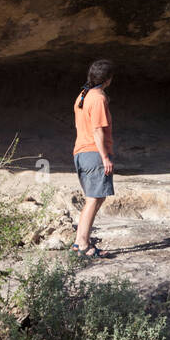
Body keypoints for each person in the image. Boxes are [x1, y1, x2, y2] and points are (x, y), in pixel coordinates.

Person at [72, 59, 115, 257]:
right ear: (108, 79)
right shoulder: (98, 98)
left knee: (96, 198)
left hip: (81, 152)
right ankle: (82, 244)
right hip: (93, 153)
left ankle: (80, 242)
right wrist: (105, 157)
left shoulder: (83, 94)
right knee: (93, 199)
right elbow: (98, 130)